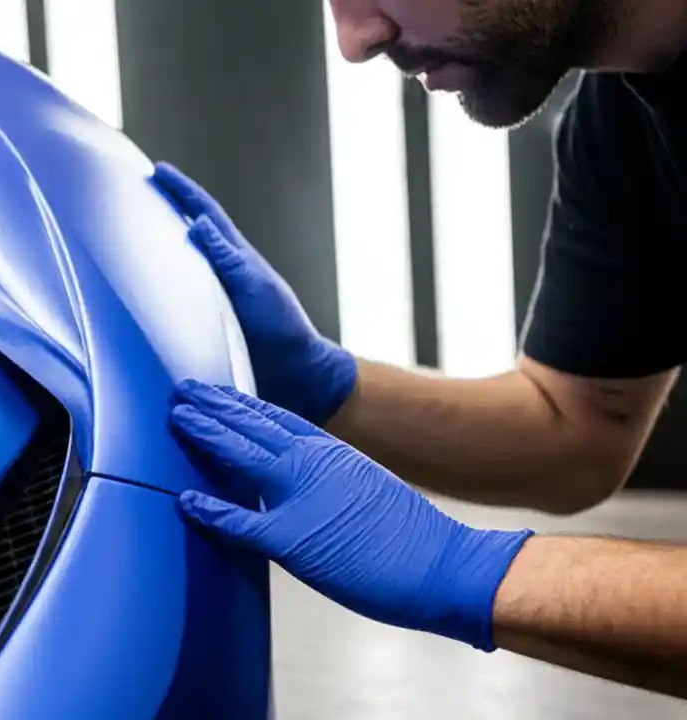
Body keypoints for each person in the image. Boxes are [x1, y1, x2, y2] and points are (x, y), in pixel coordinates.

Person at [156, 0, 687, 700]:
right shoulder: (622, 115)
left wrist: (467, 568)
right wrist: (324, 385)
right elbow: (581, 425)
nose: (354, 39)